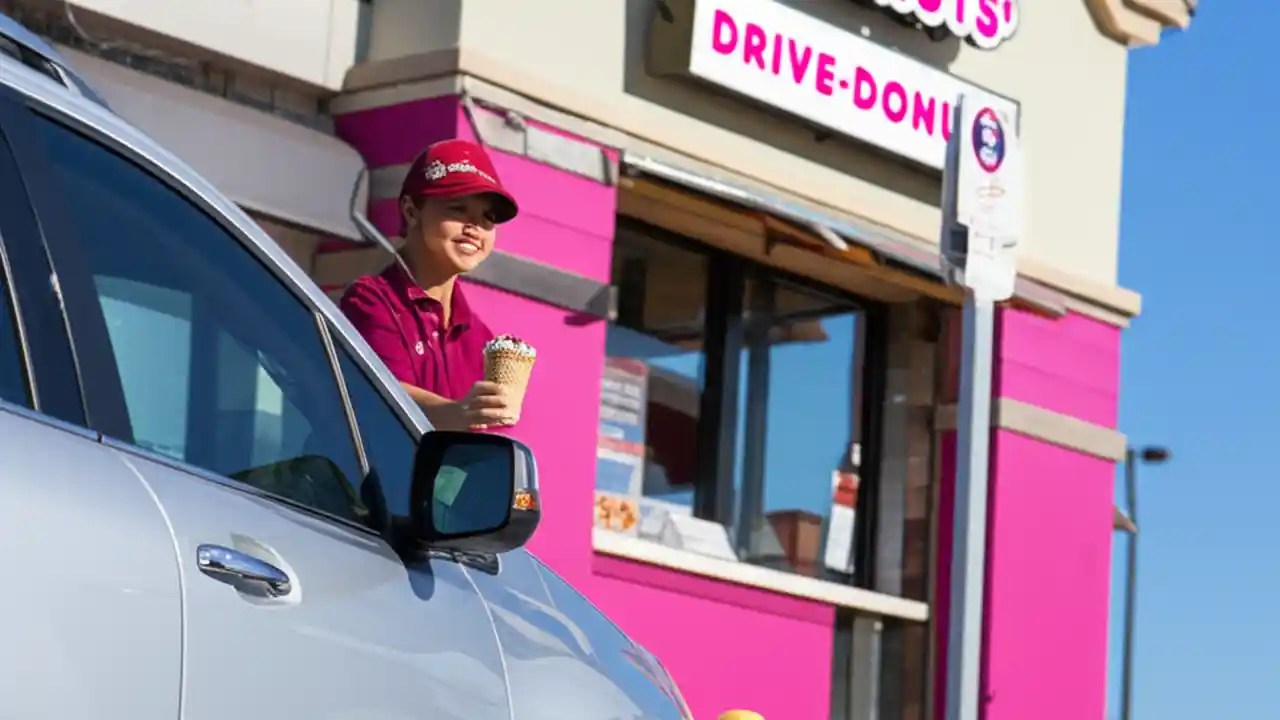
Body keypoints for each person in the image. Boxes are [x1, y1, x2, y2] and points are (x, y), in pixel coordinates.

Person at [340, 139, 522, 431]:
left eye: (489, 217)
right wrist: (458, 414)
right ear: (411, 212)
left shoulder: (481, 338)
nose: (475, 227)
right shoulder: (371, 300)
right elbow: (375, 396)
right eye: (458, 208)